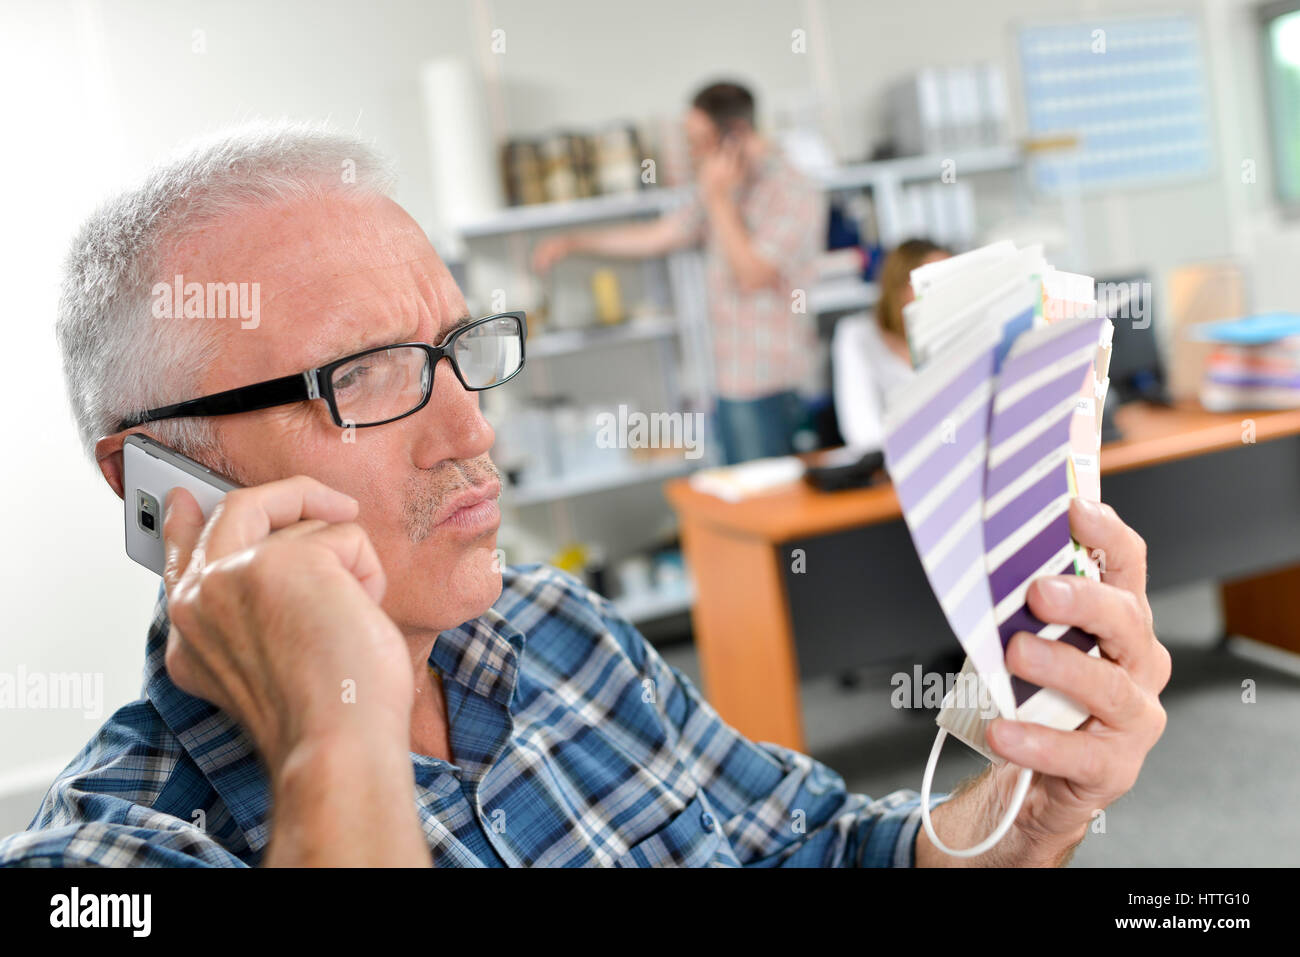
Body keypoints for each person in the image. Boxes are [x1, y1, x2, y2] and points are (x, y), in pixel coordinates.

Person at [0, 123, 1169, 867]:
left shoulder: (553, 631)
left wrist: (1026, 813)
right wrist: (330, 741)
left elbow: (816, 850)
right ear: (158, 485)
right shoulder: (103, 870)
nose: (470, 430)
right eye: (362, 376)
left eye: (463, 348)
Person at [533, 81, 827, 465]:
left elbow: (752, 273)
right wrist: (574, 242)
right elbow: (661, 235)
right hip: (728, 379)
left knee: (774, 510)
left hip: (772, 384)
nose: (693, 153)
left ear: (734, 135)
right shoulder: (722, 187)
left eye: (699, 140)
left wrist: (719, 199)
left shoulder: (792, 191)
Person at [832, 239, 950, 451]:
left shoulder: (954, 336)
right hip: (890, 465)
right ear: (899, 287)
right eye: (930, 283)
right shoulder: (857, 336)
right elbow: (863, 431)